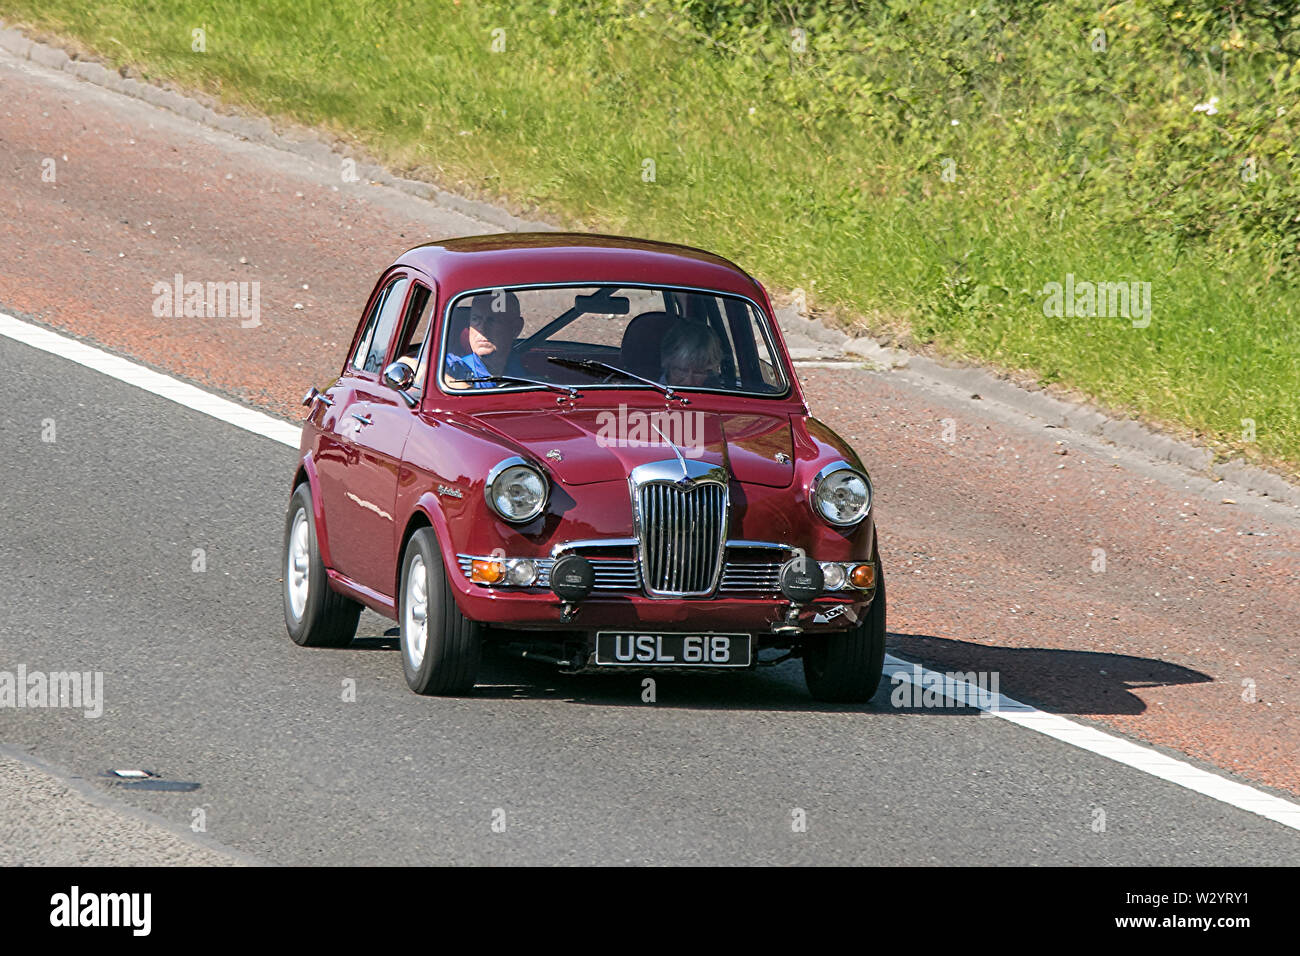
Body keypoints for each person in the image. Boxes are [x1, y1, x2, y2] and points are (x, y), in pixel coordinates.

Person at [444, 290, 525, 389]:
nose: (482, 329)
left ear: (516, 328)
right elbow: (422, 369)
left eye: (493, 320)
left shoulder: (524, 374)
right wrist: (465, 389)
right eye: (476, 319)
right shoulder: (456, 367)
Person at [659, 321, 725, 388]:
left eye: (698, 372)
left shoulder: (717, 394)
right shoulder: (650, 393)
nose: (688, 382)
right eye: (681, 370)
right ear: (667, 364)